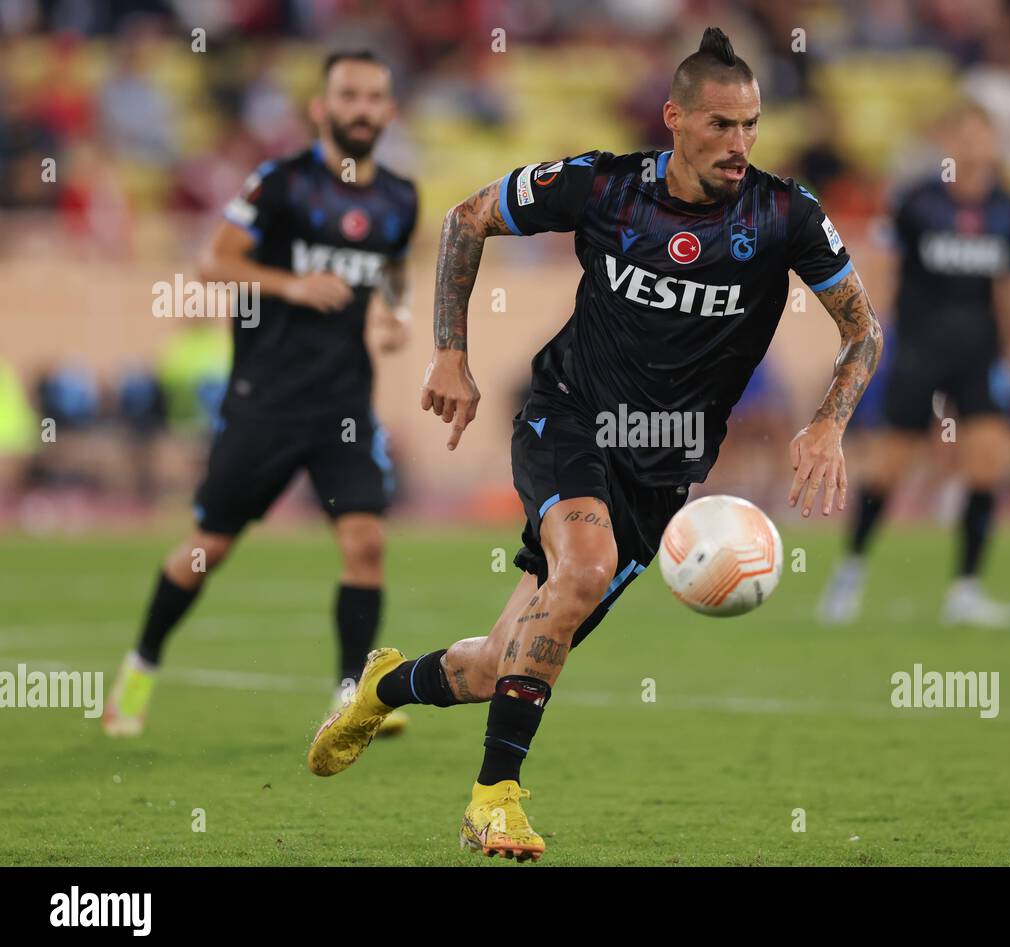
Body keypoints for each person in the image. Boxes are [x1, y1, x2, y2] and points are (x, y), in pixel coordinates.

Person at [307, 28, 883, 862]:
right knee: (578, 568)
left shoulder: (785, 214)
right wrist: (451, 354)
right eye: (721, 125)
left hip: (666, 468)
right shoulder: (603, 186)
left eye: (751, 125)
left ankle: (382, 689)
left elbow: (862, 331)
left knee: (503, 661)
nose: (740, 144)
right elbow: (466, 219)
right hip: (570, 417)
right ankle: (492, 803)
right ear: (675, 118)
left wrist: (829, 420)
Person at [103, 51, 418, 736]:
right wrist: (289, 285)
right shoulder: (281, 184)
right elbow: (213, 260)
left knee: (365, 542)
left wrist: (393, 317)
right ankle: (141, 664)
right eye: (349, 95)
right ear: (322, 108)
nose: (362, 108)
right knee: (207, 547)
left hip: (343, 407)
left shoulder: (400, 196)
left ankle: (348, 701)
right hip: (266, 400)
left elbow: (390, 272)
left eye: (374, 97)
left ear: (389, 112)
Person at [819, 102, 1010, 628]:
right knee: (889, 468)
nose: (972, 147)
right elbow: (886, 274)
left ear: (993, 144)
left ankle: (965, 589)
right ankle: (849, 574)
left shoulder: (1008, 210)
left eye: (981, 137)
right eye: (962, 136)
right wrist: (865, 342)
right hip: (918, 352)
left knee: (987, 464)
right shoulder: (917, 202)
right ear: (947, 141)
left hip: (979, 355)